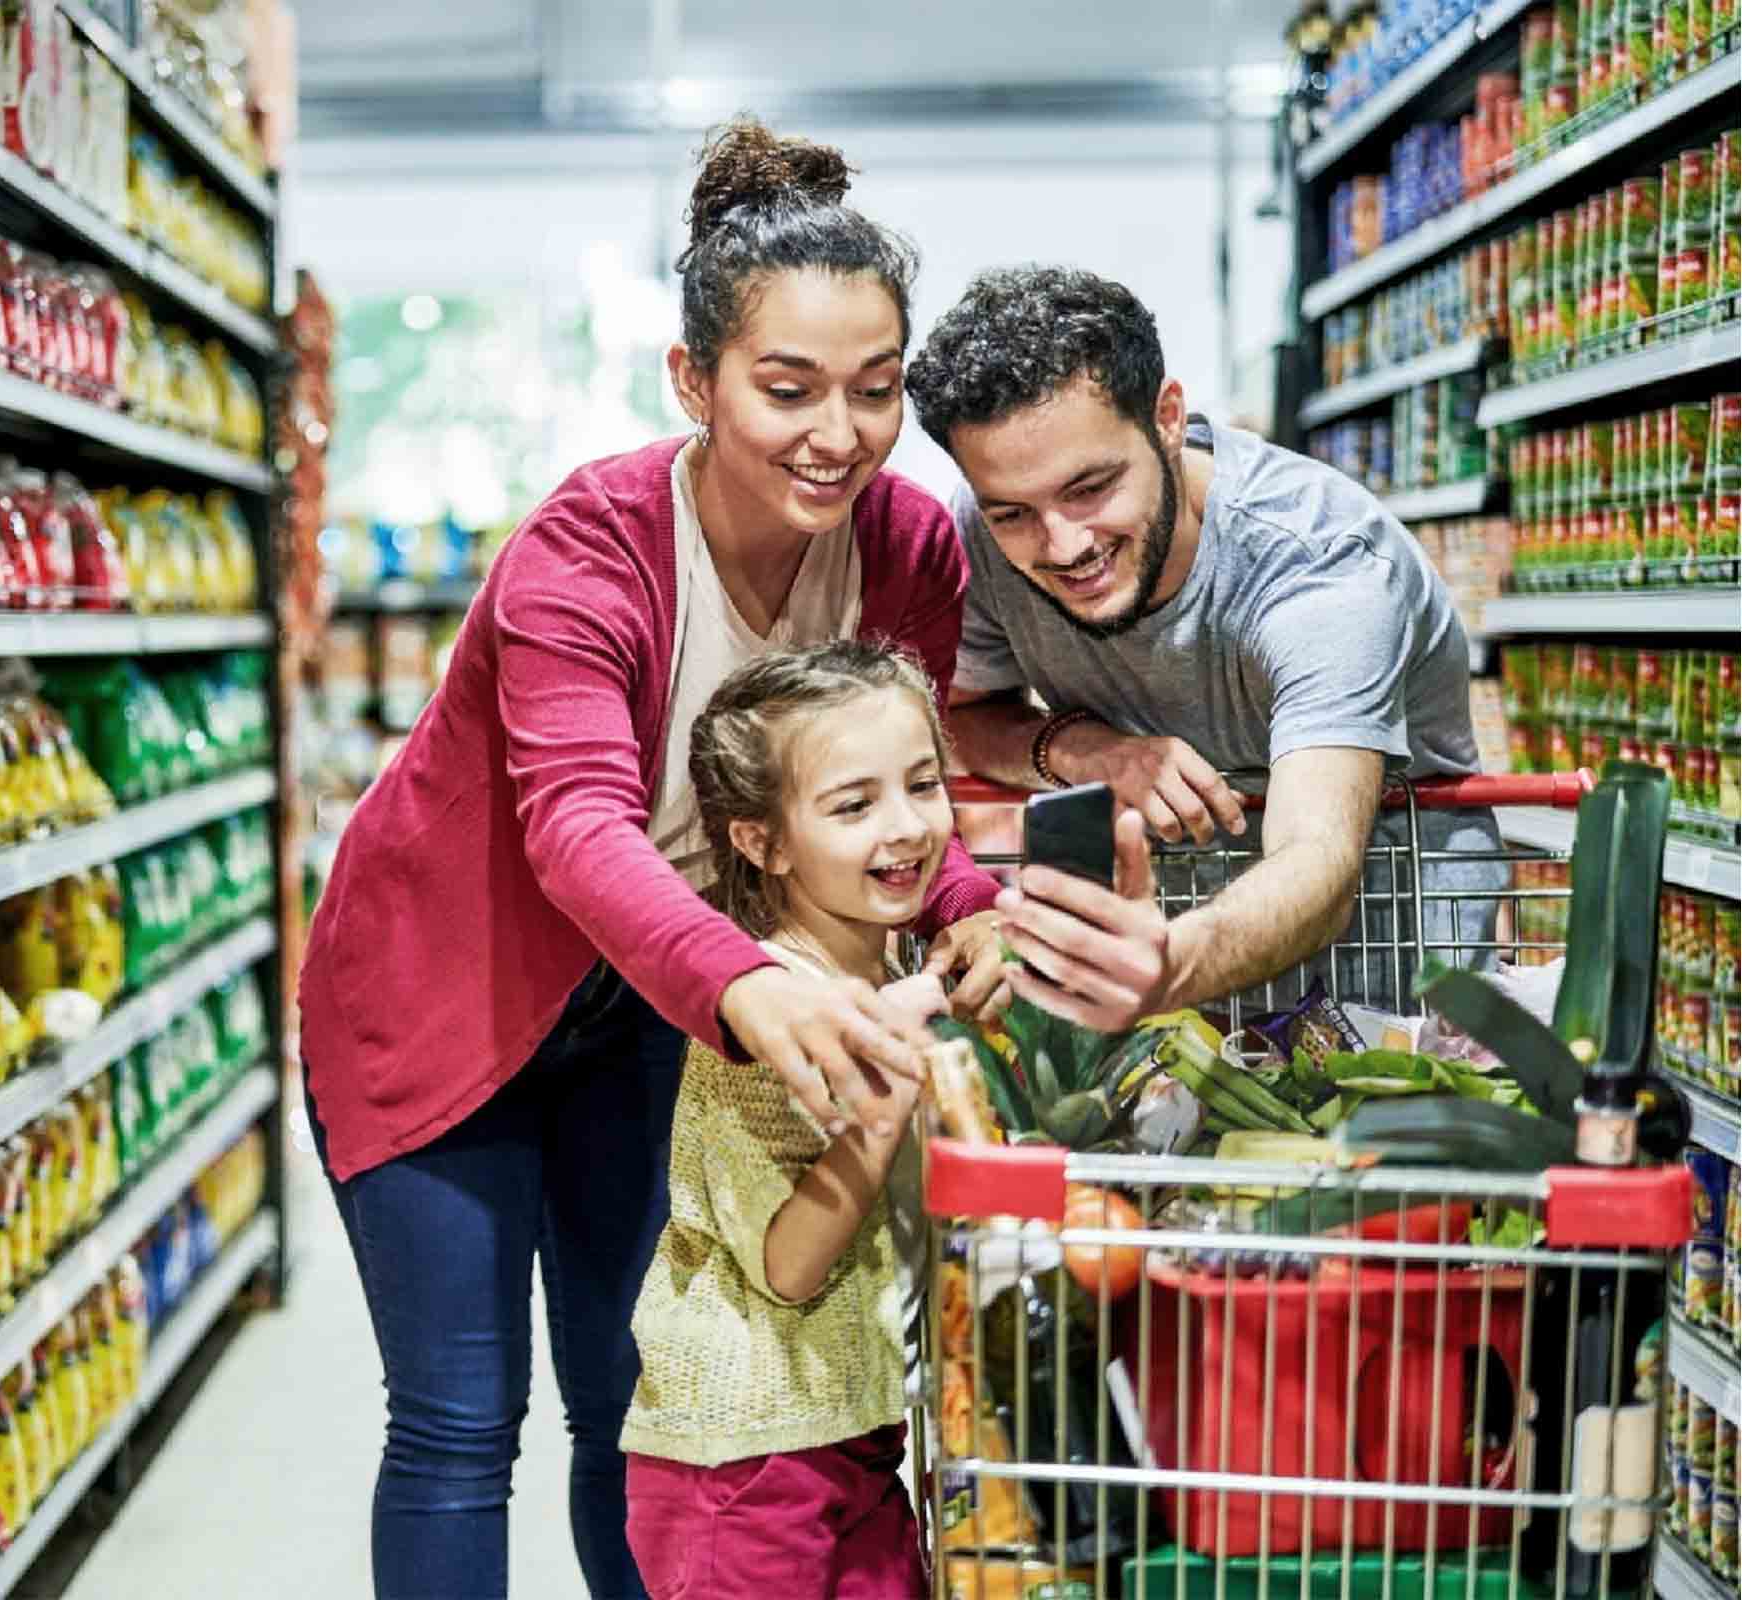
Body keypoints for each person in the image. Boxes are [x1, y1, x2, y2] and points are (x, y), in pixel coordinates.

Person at [295, 119, 1043, 1599]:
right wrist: (753, 991)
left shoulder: (906, 549)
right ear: (692, 382)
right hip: (443, 993)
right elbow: (573, 826)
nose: (839, 430)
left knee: (634, 1404)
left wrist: (969, 903)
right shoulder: (589, 548)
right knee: (457, 1421)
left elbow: (894, 788)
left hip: (660, 1001)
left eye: (876, 390)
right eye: (788, 388)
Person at [618, 640, 1166, 1600]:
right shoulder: (771, 1012)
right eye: (852, 805)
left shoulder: (895, 974)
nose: (907, 827)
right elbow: (787, 1268)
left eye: (922, 784)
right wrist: (879, 1117)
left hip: (861, 1432)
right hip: (741, 1459)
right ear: (763, 841)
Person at [904, 264, 1502, 1024]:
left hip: (1391, 982)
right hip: (1167, 972)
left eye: (1090, 489)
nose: (1061, 544)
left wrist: (1169, 965)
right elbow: (964, 716)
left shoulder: (1321, 568)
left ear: (1167, 418)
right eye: (1012, 511)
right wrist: (1087, 749)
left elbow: (1317, 858)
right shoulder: (984, 538)